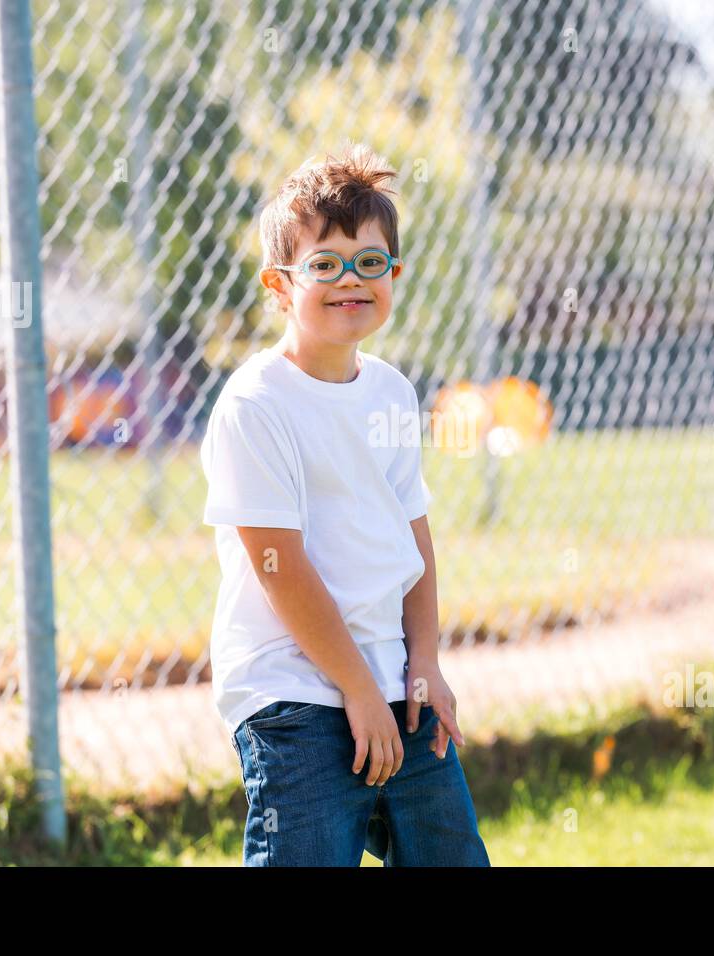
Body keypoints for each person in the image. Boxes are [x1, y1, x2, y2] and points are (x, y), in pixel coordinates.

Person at [200, 142, 490, 866]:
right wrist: (356, 689)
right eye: (323, 265)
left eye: (370, 262)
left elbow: (413, 538)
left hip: (397, 686)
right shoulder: (256, 404)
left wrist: (422, 660)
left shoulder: (391, 391)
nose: (349, 281)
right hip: (296, 698)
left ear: (395, 274)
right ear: (278, 285)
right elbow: (280, 566)